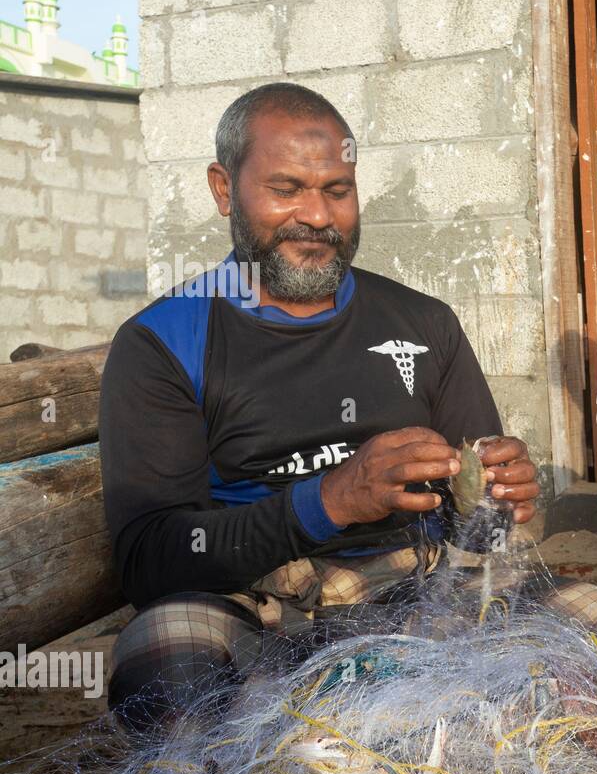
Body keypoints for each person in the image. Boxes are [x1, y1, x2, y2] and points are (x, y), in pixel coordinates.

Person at [100, 83, 545, 730]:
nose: (318, 216)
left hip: (415, 589)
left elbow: (483, 528)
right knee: (165, 663)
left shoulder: (426, 323)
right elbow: (149, 561)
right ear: (224, 190)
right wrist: (329, 501)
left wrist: (501, 498)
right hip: (254, 606)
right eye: (286, 190)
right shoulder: (164, 342)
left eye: (338, 190)